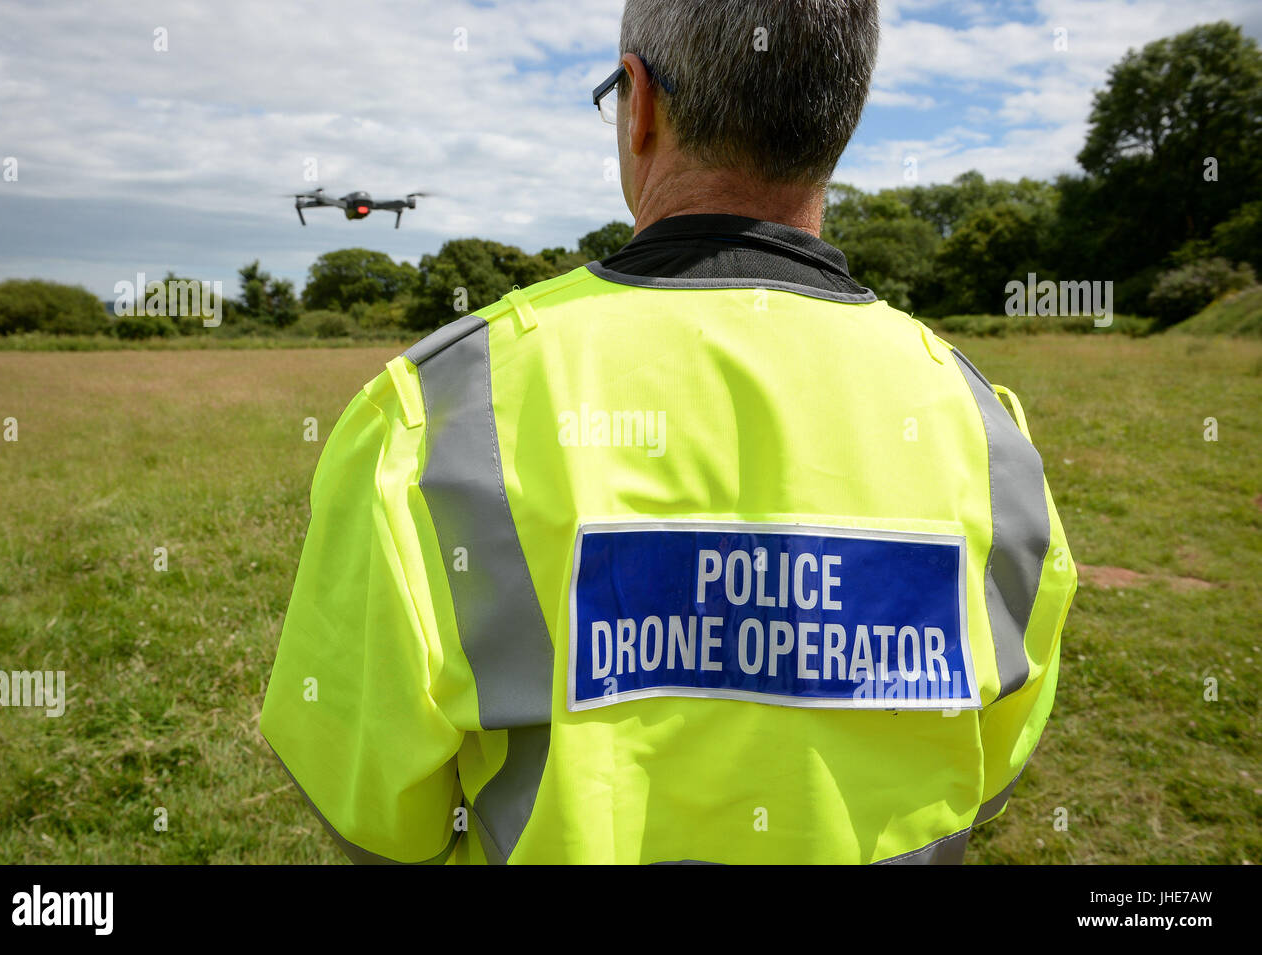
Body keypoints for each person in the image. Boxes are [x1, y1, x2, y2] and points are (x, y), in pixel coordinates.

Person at [260, 0, 1077, 864]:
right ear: (842, 119)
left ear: (638, 102)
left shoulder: (433, 414)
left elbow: (375, 816)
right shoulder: (986, 430)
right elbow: (991, 766)